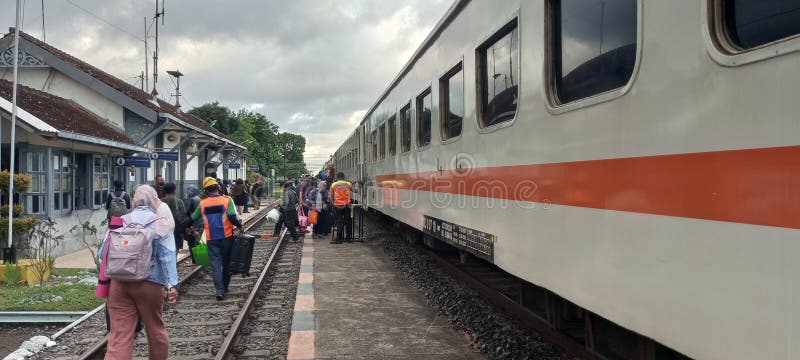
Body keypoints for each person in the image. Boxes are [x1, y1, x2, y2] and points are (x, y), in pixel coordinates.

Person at [104, 185, 178, 360]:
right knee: (155, 329)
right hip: (150, 283)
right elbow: (167, 255)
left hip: (119, 283)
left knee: (119, 334)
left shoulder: (119, 220)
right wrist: (172, 284)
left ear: (134, 200)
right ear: (154, 200)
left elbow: (103, 253)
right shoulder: (161, 223)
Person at [191, 177, 243, 300]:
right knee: (226, 263)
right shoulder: (227, 200)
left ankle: (219, 290)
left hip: (212, 239)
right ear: (218, 187)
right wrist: (239, 225)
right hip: (227, 237)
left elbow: (192, 218)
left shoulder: (202, 203)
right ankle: (225, 287)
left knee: (215, 265)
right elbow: (231, 216)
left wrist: (188, 226)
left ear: (206, 190)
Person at [163, 183, 190, 256]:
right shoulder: (179, 202)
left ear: (164, 191)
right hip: (176, 229)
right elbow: (183, 216)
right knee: (176, 247)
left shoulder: (160, 202)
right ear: (174, 191)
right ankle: (173, 263)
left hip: (163, 229)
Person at [330, 172, 352, 244]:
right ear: (343, 177)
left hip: (337, 205)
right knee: (348, 221)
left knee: (339, 222)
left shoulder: (334, 184)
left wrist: (333, 203)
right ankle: (348, 238)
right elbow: (355, 191)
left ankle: (339, 239)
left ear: (337, 177)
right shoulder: (348, 184)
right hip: (347, 205)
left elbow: (331, 195)